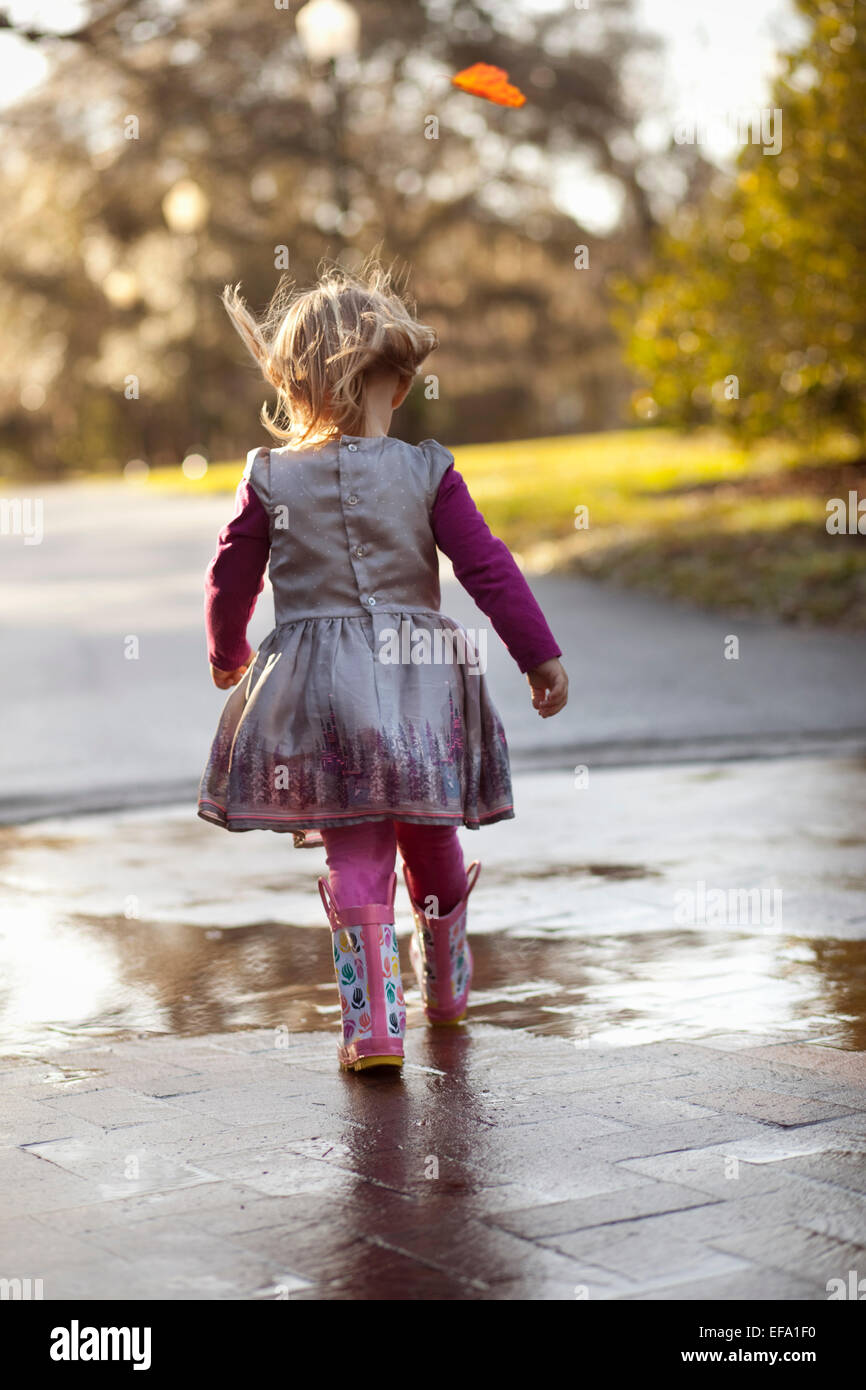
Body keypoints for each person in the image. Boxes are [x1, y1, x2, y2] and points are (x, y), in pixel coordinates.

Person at [198, 255, 568, 1073]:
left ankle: (372, 1029)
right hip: (420, 685)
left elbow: (232, 575)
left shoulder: (269, 477)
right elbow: (488, 568)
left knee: (355, 846)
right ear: (392, 384)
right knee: (429, 829)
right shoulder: (428, 470)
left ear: (295, 390)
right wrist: (538, 655)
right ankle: (448, 985)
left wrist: (227, 653)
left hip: (323, 697)